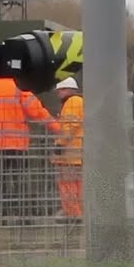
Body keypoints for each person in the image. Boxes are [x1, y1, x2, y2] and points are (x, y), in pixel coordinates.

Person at [0, 76, 61, 222]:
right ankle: (21, 214)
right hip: (18, 144)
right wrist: (59, 129)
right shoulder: (20, 87)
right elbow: (37, 112)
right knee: (19, 181)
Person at [52, 77, 84, 221]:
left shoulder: (72, 102)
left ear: (69, 90)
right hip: (76, 152)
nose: (58, 93)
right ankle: (77, 212)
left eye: (61, 90)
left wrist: (60, 144)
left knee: (68, 184)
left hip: (70, 153)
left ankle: (73, 214)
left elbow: (70, 125)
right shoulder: (77, 102)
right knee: (76, 185)